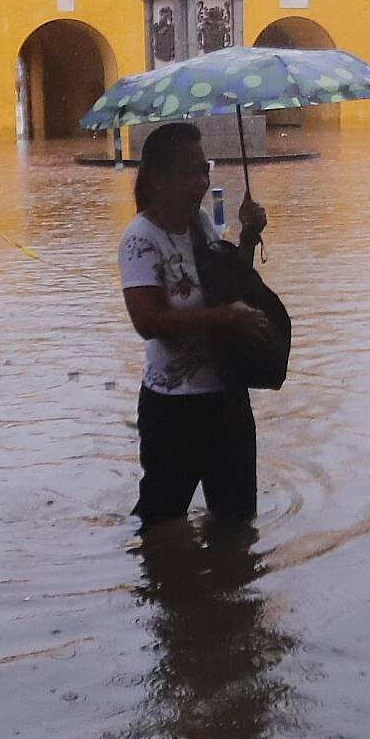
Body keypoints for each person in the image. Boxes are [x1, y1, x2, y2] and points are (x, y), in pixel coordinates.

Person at [118, 120, 271, 528]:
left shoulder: (201, 223)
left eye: (204, 170)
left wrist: (247, 239)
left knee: (237, 524)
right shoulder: (140, 239)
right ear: (158, 178)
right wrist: (226, 317)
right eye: (189, 173)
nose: (201, 182)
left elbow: (226, 288)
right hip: (173, 408)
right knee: (161, 525)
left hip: (226, 394)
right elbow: (147, 322)